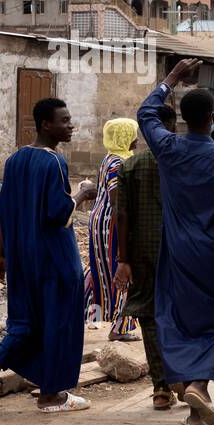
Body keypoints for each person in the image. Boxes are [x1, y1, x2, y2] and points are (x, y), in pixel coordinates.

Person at [137, 58, 214, 425]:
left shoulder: (168, 148)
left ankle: (192, 406)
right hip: (213, 254)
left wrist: (171, 78)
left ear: (183, 118)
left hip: (175, 252)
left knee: (179, 320)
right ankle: (199, 386)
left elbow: (146, 113)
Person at [0, 98, 97, 412]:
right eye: (64, 121)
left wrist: (2, 255)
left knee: (27, 320)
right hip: (54, 257)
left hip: (22, 256)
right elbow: (58, 214)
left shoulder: (15, 160)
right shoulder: (54, 162)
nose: (71, 126)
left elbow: (5, 210)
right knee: (59, 322)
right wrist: (82, 192)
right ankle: (51, 393)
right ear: (45, 125)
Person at [113, 104, 177, 410]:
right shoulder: (184, 162)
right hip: (182, 251)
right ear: (174, 127)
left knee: (150, 317)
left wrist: (123, 258)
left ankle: (161, 387)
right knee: (181, 315)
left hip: (143, 252)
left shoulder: (131, 165)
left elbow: (121, 214)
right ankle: (184, 376)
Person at [85, 118, 139, 342]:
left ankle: (75, 314)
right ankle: (120, 326)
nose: (137, 139)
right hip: (113, 224)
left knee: (100, 271)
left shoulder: (111, 159)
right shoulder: (119, 164)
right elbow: (119, 204)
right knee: (124, 271)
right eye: (134, 134)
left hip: (101, 222)